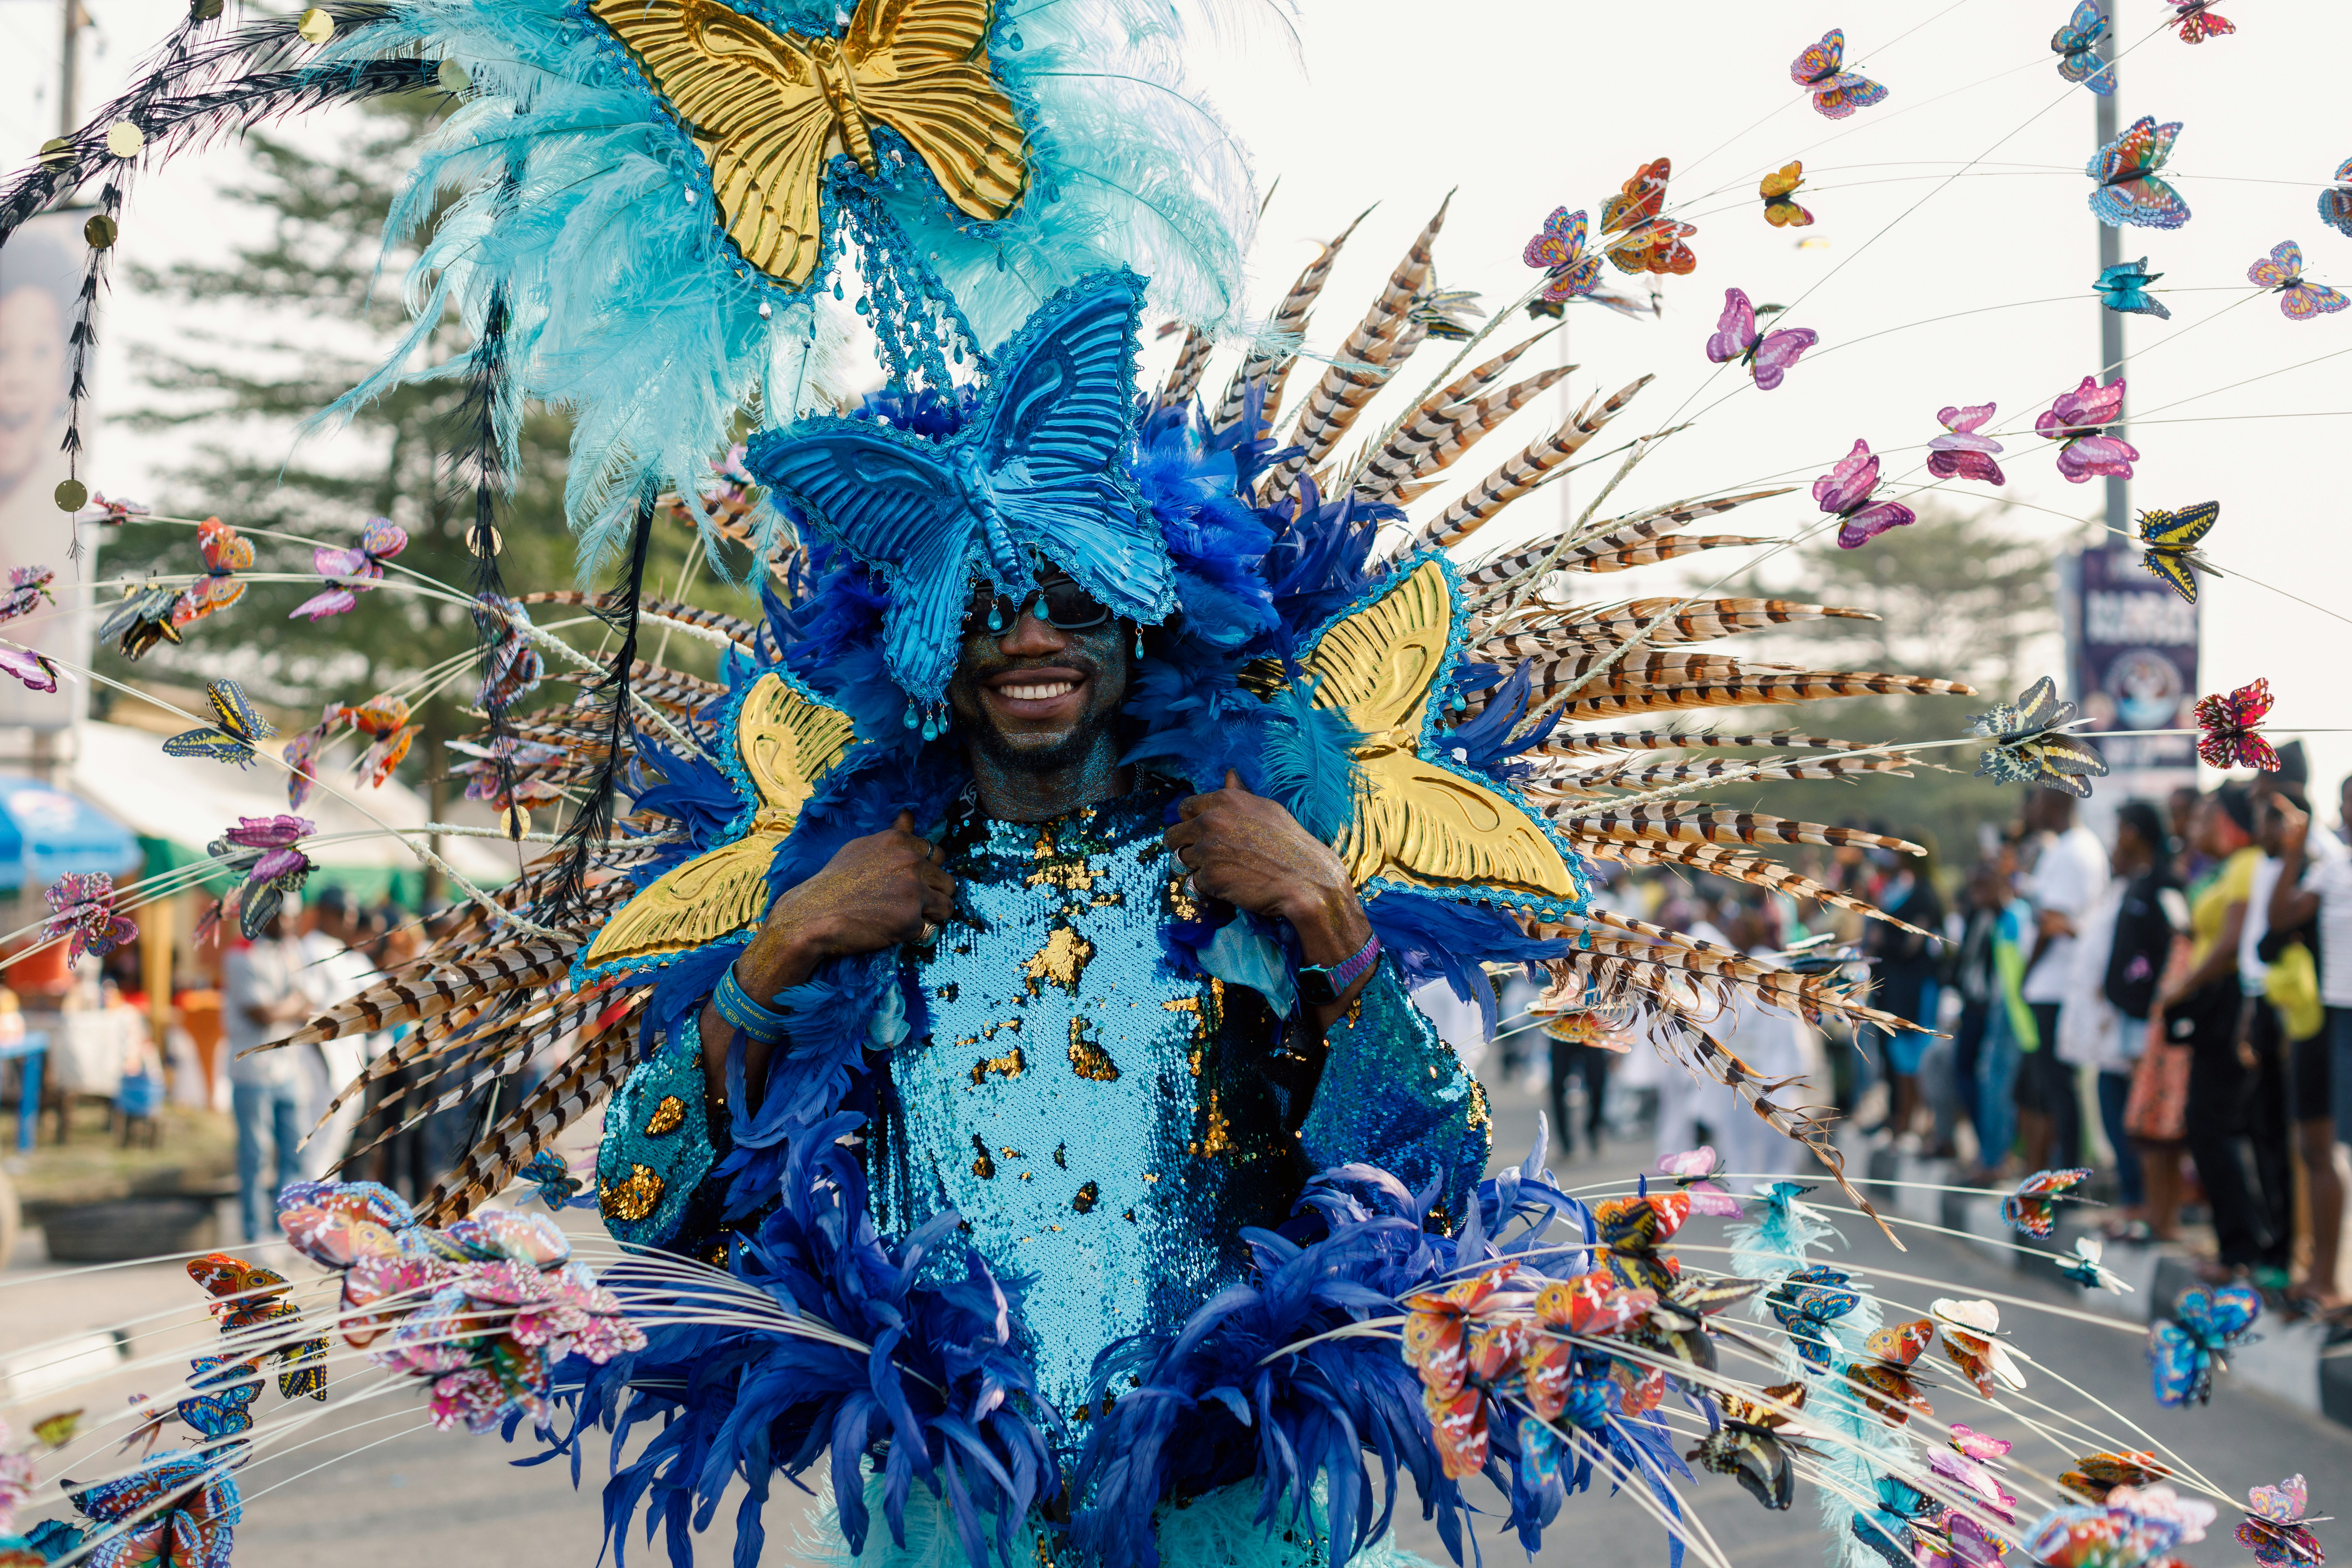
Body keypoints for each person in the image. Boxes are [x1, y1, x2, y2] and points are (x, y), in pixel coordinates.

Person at [614, 565, 1488, 1452]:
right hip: (941, 1528)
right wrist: (787, 940)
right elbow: (639, 1200)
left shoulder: (1248, 872)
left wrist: (1329, 912)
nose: (1030, 638)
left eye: (1078, 604)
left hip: (1224, 1518)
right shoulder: (856, 883)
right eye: (978, 606)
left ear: (1141, 627)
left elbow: (1434, 1189)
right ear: (923, 645)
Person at [2155, 787, 2273, 1276]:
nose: (2196, 825)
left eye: (2206, 815)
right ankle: (2235, 1242)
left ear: (2227, 820)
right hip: (2215, 1002)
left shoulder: (2245, 864)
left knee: (2214, 1124)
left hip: (2229, 1003)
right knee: (2208, 1125)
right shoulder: (2223, 869)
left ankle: (2242, 1248)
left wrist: (2183, 986)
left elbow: (2230, 942)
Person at [2263, 788, 2351, 1310]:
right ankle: (2324, 1277)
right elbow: (2279, 919)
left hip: (2341, 1025)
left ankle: (2334, 1279)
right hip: (2326, 1021)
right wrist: (2295, 853)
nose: (2343, 814)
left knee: (2337, 1153)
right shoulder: (2332, 869)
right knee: (2317, 1150)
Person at [2088, 802, 2178, 1241]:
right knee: (2127, 1112)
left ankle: (2153, 1209)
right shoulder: (2136, 881)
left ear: (2138, 831)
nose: (2117, 836)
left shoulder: (2164, 880)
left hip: (2151, 1021)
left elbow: (2173, 946)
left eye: (2122, 827)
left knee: (2149, 1121)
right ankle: (2137, 1202)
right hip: (2126, 1019)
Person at [2017, 789, 2106, 1172]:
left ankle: (2068, 1175)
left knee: (2058, 1089)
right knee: (2043, 1089)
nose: (2030, 808)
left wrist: (2026, 970)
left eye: (2036, 798)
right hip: (2053, 986)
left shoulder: (2074, 851)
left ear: (2055, 801)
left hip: (2057, 986)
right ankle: (2054, 1172)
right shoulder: (2064, 848)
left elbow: (2054, 922)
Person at [222, 901, 320, 1242]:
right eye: (285, 917)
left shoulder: (289, 951)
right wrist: (292, 1006)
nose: (291, 924)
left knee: (296, 1150)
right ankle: (255, 1231)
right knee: (256, 1154)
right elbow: (260, 1013)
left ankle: (287, 1225)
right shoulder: (242, 954)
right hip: (254, 1070)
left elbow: (308, 1003)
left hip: (288, 1068)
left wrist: (290, 1007)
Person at [1859, 836, 1945, 1145]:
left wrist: (1885, 941)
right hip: (1894, 987)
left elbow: (1912, 944)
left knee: (1915, 1057)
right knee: (1896, 1056)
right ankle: (1901, 1118)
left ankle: (1916, 1124)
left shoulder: (1925, 895)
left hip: (1914, 989)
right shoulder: (1903, 890)